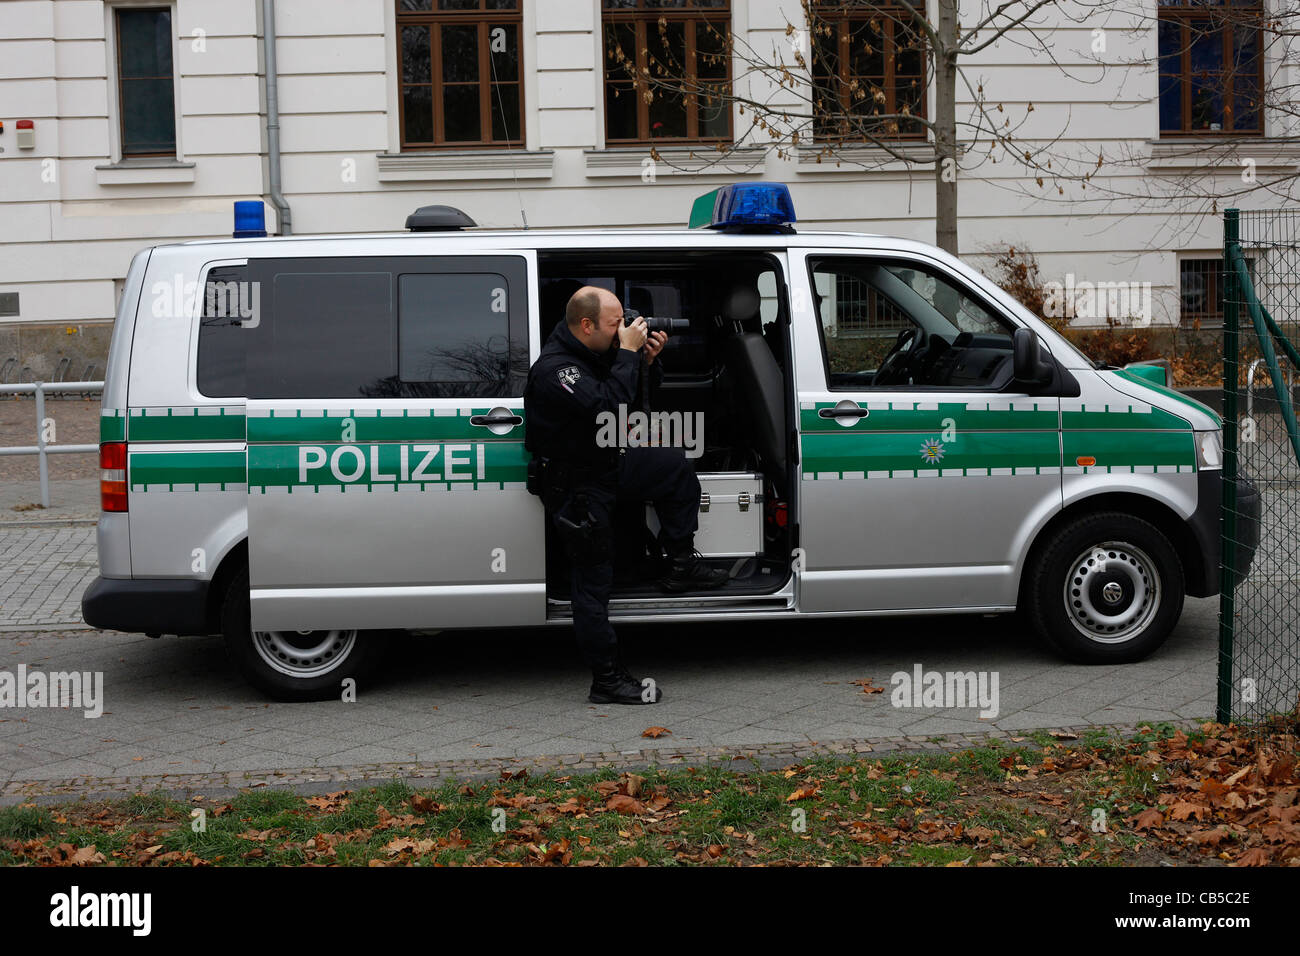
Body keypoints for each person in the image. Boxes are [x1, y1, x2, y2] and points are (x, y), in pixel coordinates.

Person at [524, 286, 729, 705]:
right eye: (615, 324)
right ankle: (607, 679)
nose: (624, 332)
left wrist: (646, 361)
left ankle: (679, 562)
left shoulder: (591, 353)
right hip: (577, 484)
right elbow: (607, 409)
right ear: (586, 325)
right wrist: (628, 355)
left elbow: (632, 404)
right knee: (593, 583)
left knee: (675, 466)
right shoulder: (557, 369)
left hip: (607, 461)